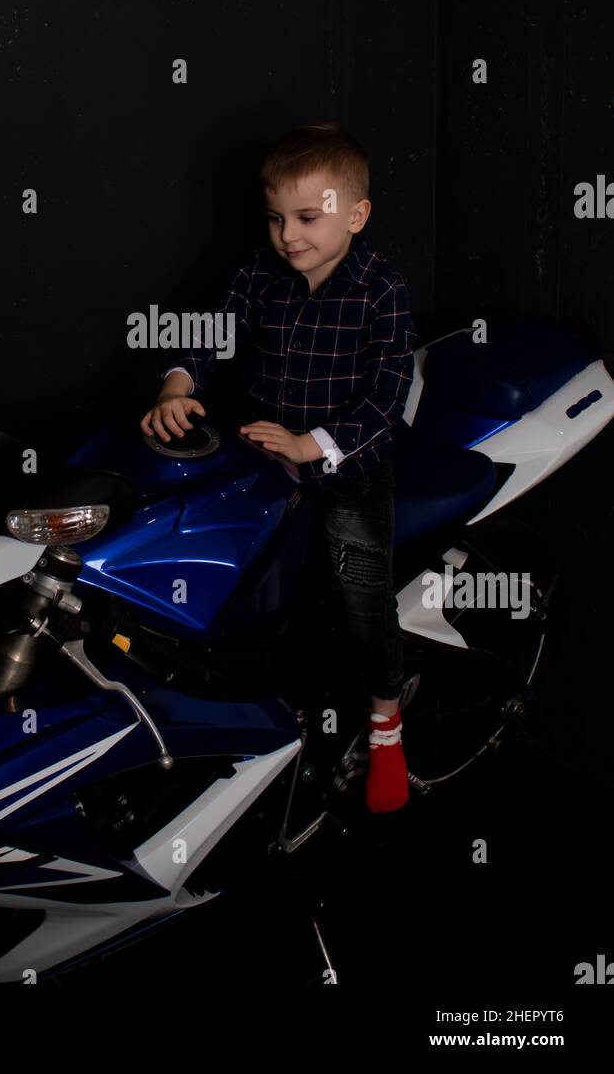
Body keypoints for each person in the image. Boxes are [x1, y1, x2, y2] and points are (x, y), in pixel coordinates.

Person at [139, 123, 418, 813]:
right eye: (276, 218)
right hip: (266, 466)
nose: (288, 235)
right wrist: (180, 383)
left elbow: (387, 398)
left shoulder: (381, 289)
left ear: (354, 215)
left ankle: (387, 725)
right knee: (248, 594)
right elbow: (212, 331)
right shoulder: (260, 276)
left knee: (363, 602)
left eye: (307, 217)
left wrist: (312, 442)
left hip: (349, 468)